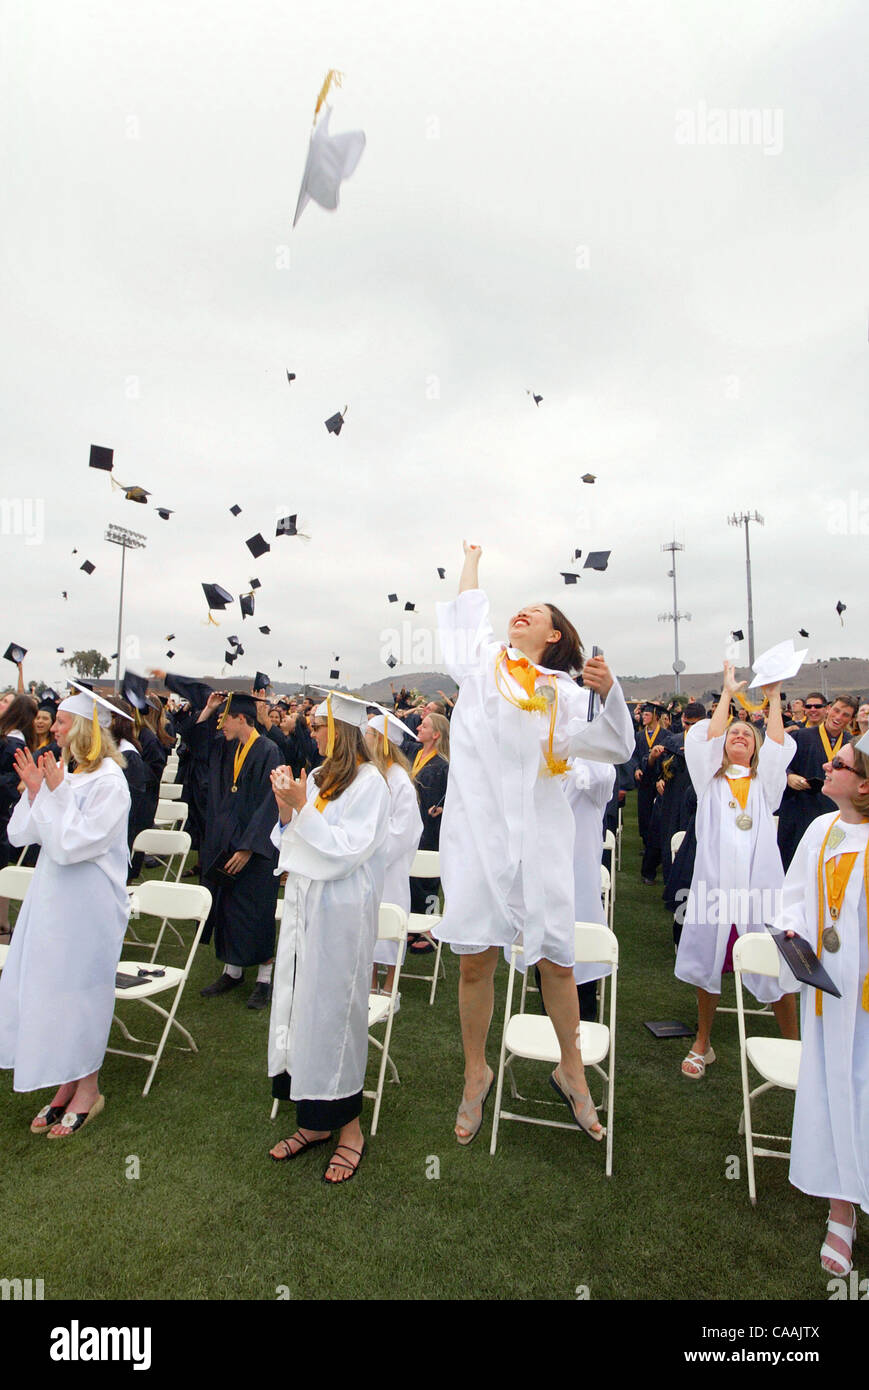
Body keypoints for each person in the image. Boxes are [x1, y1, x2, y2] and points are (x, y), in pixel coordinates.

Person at [435, 542, 634, 1144]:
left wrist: (612, 689)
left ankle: (571, 1070)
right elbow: (468, 610)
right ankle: (476, 1073)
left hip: (542, 843)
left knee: (557, 961)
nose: (520, 615)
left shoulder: (567, 696)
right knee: (476, 961)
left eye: (535, 613)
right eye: (516, 610)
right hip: (480, 838)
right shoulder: (482, 668)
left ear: (555, 636)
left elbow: (616, 748)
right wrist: (472, 558)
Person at [267, 693, 390, 1184]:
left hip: (342, 915)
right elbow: (291, 842)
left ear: (342, 731)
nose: (311, 732)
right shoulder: (317, 779)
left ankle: (351, 1131)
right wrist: (286, 814)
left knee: (335, 1014)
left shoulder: (370, 784)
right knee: (301, 1010)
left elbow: (346, 852)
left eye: (319, 725)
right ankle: (314, 1123)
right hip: (304, 908)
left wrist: (302, 812)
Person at [0, 683, 131, 1137]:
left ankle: (88, 1086)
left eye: (60, 721)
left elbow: (75, 843)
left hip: (89, 906)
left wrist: (52, 794)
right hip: (53, 900)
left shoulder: (112, 781)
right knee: (53, 987)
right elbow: (22, 835)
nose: (50, 727)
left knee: (82, 990)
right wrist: (35, 792)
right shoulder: (69, 775)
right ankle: (64, 1081)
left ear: (83, 729)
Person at [674, 663, 798, 1078]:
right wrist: (728, 695)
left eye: (747, 733)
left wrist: (775, 696)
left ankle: (794, 1047)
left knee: (776, 962)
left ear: (756, 748)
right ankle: (702, 1042)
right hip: (715, 886)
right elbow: (709, 736)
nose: (740, 735)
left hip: (760, 889)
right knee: (709, 964)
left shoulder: (767, 782)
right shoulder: (709, 778)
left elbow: (779, 743)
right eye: (733, 733)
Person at [775, 735, 869, 1276]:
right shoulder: (820, 829)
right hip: (830, 993)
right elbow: (795, 896)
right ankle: (841, 1211)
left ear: (864, 784)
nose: (826, 768)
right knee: (835, 1087)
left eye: (840, 765)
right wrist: (794, 931)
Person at [190, 690, 283, 1010]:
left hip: (254, 850)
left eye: (224, 718)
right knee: (228, 909)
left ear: (241, 718)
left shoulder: (269, 751)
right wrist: (209, 708)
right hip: (225, 844)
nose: (220, 725)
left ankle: (264, 978)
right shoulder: (227, 747)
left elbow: (270, 803)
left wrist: (247, 848)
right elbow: (195, 743)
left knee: (256, 912)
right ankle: (232, 971)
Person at [365, 712, 422, 998]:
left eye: (369, 736)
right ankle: (371, 981)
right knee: (371, 924)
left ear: (381, 742)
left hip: (391, 866)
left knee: (389, 925)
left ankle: (390, 989)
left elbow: (404, 831)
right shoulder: (374, 774)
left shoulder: (400, 781)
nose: (364, 740)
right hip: (370, 864)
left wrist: (373, 847)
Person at [777, 695, 860, 870]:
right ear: (829, 709)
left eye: (845, 715)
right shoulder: (800, 736)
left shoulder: (853, 745)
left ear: (852, 720)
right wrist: (788, 776)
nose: (838, 717)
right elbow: (779, 764)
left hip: (835, 810)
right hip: (801, 809)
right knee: (796, 863)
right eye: (836, 711)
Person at [406, 711, 449, 953]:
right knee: (412, 876)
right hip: (414, 823)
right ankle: (414, 923)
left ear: (436, 734)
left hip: (432, 829)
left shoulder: (443, 764)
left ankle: (430, 928)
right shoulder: (415, 754)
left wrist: (444, 807)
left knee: (427, 877)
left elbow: (453, 796)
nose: (419, 728)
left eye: (425, 725)